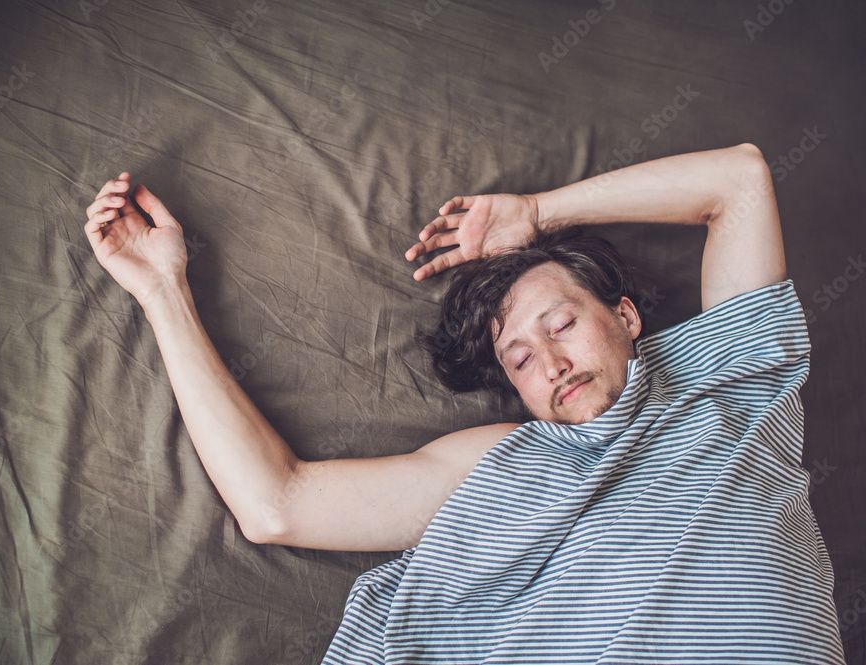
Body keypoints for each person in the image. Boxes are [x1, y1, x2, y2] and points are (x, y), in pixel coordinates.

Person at [84, 143, 844, 663]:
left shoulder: (733, 375)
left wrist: (539, 213)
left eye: (563, 324)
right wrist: (161, 290)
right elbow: (277, 502)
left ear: (626, 317)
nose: (548, 361)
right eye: (519, 358)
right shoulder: (507, 463)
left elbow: (738, 179)